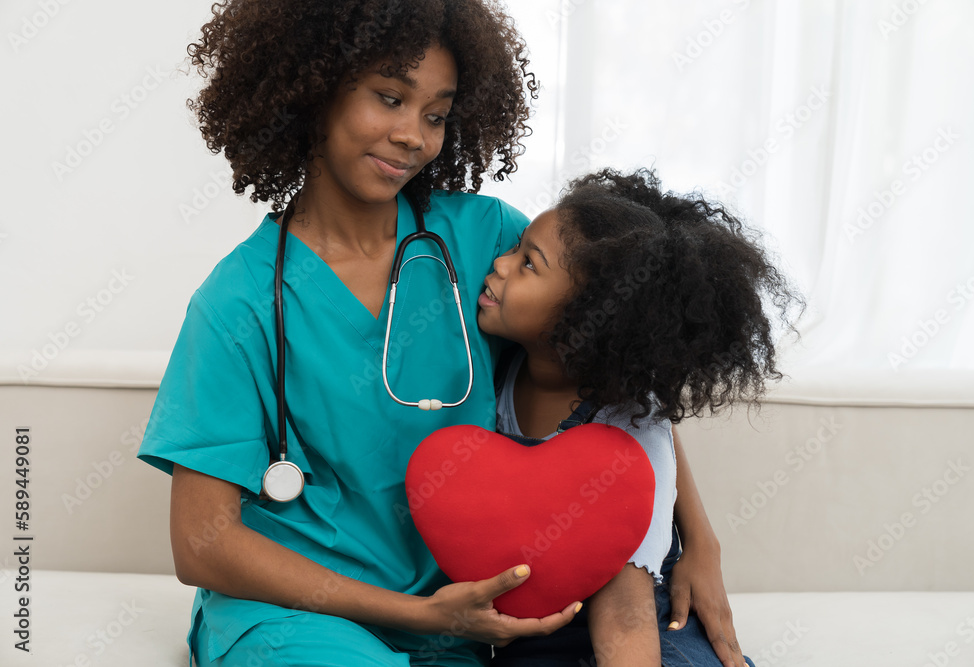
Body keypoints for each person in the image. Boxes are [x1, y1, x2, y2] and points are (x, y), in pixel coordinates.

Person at [137, 1, 762, 664]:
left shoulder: (485, 240)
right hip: (296, 618)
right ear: (312, 90)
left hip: (454, 628)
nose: (413, 135)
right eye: (389, 98)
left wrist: (699, 537)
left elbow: (621, 360)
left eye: (436, 114)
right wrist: (417, 612)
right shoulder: (239, 303)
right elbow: (202, 541)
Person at [477, 168, 802, 667]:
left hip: (649, 621)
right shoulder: (493, 367)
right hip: (542, 627)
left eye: (527, 265)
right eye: (517, 248)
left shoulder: (630, 435)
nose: (498, 264)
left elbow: (626, 612)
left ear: (584, 318)